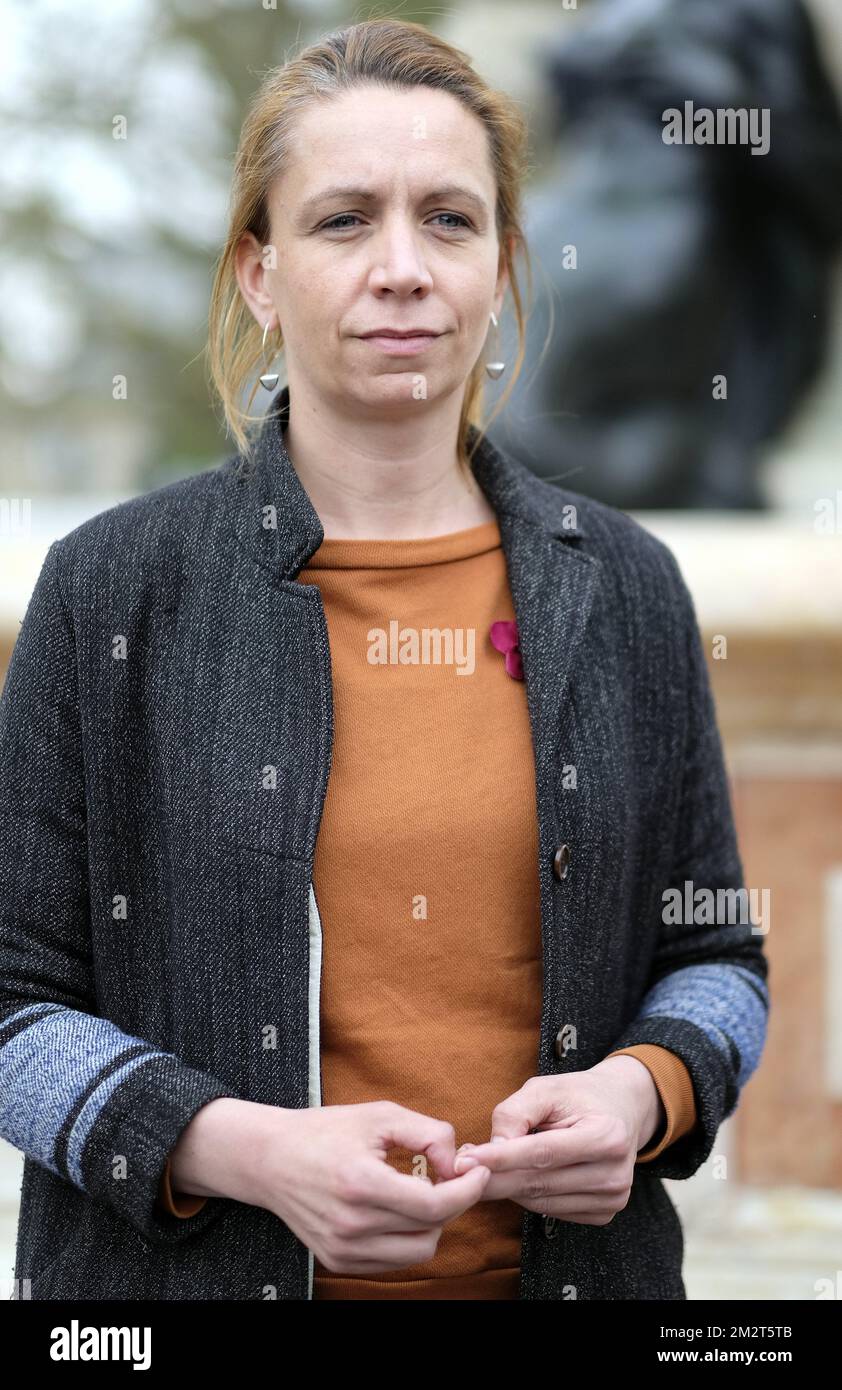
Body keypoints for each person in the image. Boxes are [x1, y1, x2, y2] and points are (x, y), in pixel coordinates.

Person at [0, 18, 768, 1301]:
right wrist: (244, 1150)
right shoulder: (112, 590)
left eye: (450, 221)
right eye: (345, 220)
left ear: (504, 268)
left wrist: (644, 1095)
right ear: (259, 272)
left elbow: (715, 955)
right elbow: (13, 1000)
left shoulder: (624, 587)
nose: (403, 268)